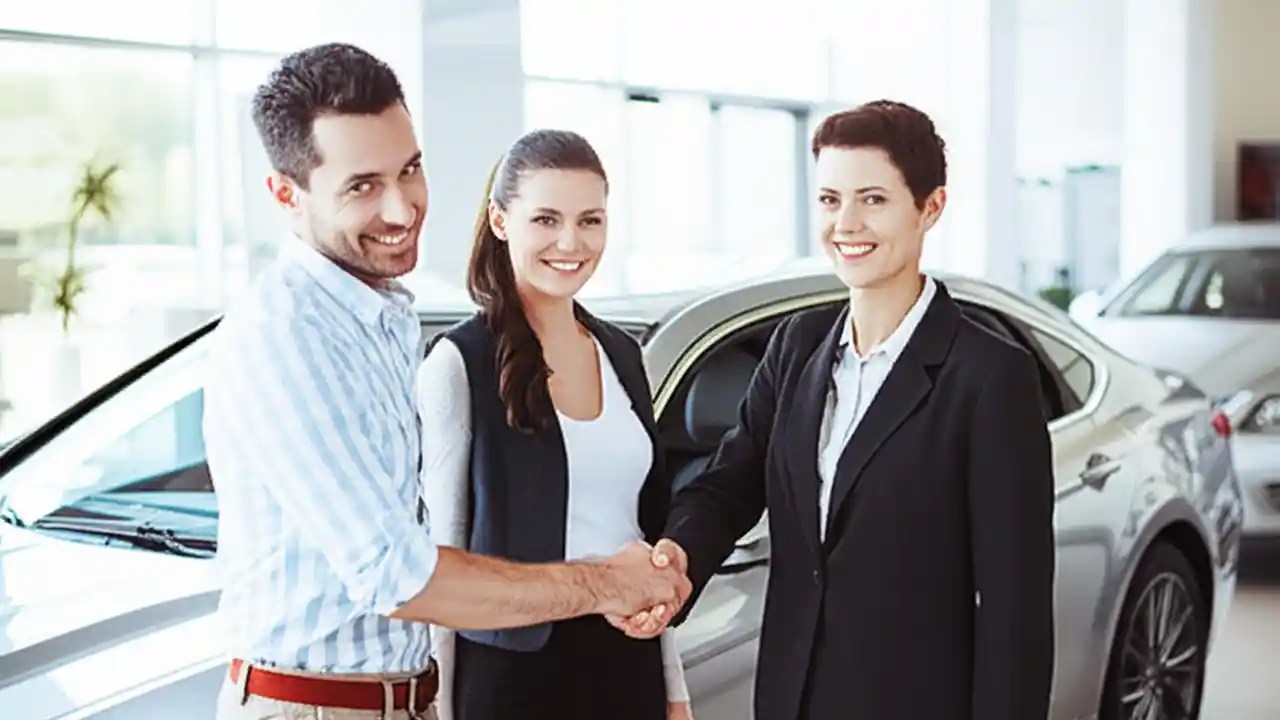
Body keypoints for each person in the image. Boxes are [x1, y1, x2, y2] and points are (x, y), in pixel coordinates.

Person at [203, 44, 689, 720]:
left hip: (401, 700)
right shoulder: (289, 334)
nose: (403, 210)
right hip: (317, 708)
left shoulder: (383, 318)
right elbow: (397, 573)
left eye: (410, 170)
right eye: (362, 186)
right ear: (286, 194)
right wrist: (608, 583)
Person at [619, 100, 1057, 720]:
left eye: (873, 200)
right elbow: (729, 486)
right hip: (792, 696)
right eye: (829, 200)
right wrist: (677, 560)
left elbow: (1017, 610)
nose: (845, 223)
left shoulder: (988, 378)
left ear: (930, 207)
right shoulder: (796, 347)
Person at [416, 129, 692, 720]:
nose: (571, 242)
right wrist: (437, 709)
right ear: (499, 220)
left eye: (590, 220)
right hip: (513, 677)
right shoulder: (458, 364)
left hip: (627, 664)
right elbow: (443, 552)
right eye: (546, 219)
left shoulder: (622, 353)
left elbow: (644, 533)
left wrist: (675, 691)